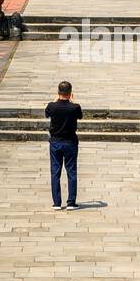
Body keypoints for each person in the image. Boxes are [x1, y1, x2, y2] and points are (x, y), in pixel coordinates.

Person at [45, 80, 82, 210]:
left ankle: (56, 203)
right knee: (71, 172)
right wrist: (71, 102)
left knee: (55, 172)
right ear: (70, 93)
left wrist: (55, 101)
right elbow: (80, 116)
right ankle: (71, 202)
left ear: (58, 92)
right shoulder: (75, 107)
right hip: (70, 142)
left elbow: (47, 113)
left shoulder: (52, 106)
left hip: (55, 142)